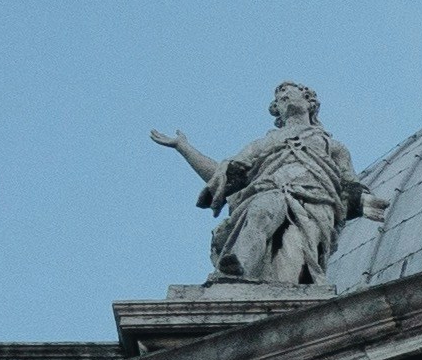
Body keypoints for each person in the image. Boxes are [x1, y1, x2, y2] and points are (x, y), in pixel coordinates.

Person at [154, 81, 384, 286]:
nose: (283, 97)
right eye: (279, 98)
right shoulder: (263, 144)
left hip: (316, 205)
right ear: (277, 110)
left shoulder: (333, 147)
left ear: (309, 101)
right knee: (262, 209)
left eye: (289, 93)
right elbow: (223, 177)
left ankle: (277, 299)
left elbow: (349, 185)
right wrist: (184, 148)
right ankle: (238, 266)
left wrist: (363, 201)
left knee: (293, 254)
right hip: (270, 192)